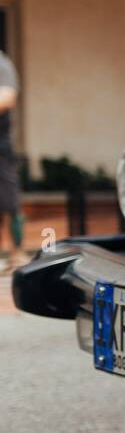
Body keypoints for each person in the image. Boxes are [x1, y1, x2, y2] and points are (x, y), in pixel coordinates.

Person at [0, 49, 25, 272]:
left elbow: (7, 98)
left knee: (9, 200)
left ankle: (17, 254)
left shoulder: (2, 64)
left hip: (0, 145)